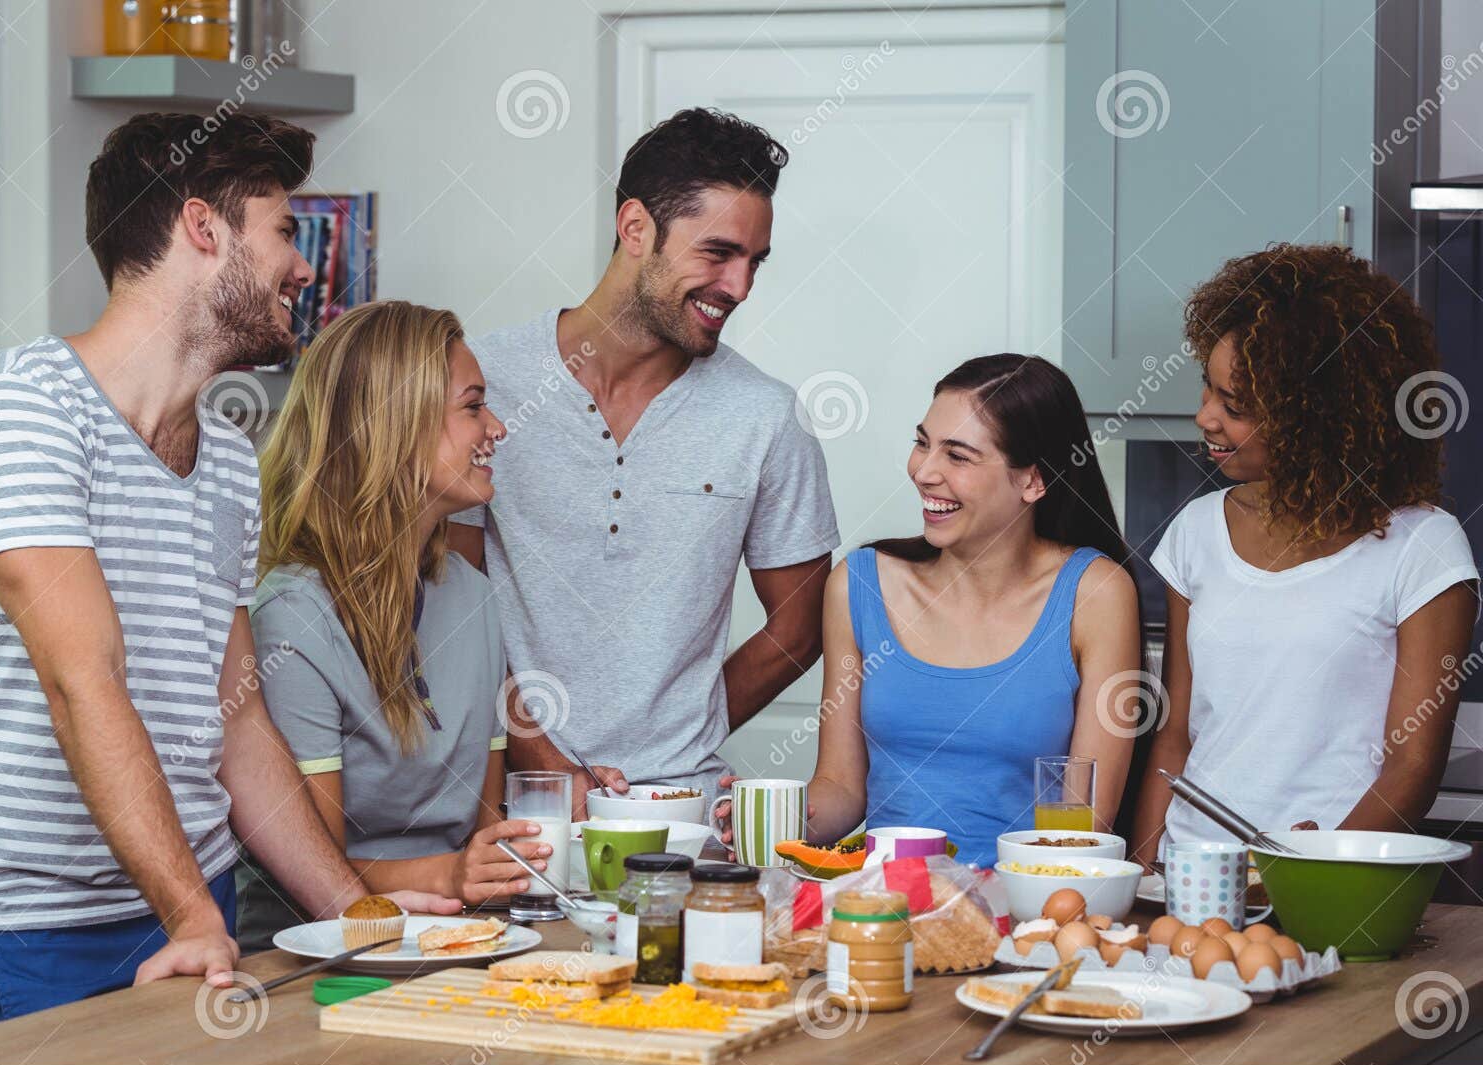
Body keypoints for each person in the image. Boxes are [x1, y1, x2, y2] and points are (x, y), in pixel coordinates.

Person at [0, 113, 458, 1027]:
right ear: (202, 227)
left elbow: (236, 716)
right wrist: (190, 915)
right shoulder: (19, 412)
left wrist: (354, 916)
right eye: (284, 231)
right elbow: (83, 676)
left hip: (199, 902)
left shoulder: (228, 458)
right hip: (46, 930)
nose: (301, 264)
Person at [449, 108, 839, 811]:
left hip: (679, 806)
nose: (740, 287)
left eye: (755, 261)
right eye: (718, 253)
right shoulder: (484, 386)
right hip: (507, 796)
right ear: (636, 229)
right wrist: (541, 755)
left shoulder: (766, 416)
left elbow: (800, 627)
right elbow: (449, 605)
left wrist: (682, 735)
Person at [1133, 243, 1479, 861]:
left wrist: (1310, 871)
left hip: (1329, 883)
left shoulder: (1423, 548)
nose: (1204, 417)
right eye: (1207, 390)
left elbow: (1411, 768)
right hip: (1193, 879)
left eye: (1233, 406)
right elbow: (1175, 740)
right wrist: (1142, 878)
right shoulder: (1196, 532)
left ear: (1312, 417)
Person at [236, 301, 550, 947]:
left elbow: (480, 833)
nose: (495, 427)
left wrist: (485, 871)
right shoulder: (293, 616)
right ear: (397, 426)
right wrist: (455, 874)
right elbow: (311, 866)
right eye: (472, 406)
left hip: (451, 934)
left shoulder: (473, 598)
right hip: (313, 950)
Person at [799, 355, 1142, 867]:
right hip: (888, 905)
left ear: (1032, 480)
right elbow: (843, 788)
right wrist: (768, 815)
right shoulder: (859, 585)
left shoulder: (1095, 593)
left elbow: (1083, 823)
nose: (923, 471)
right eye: (922, 443)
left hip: (1028, 914)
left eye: (957, 456)